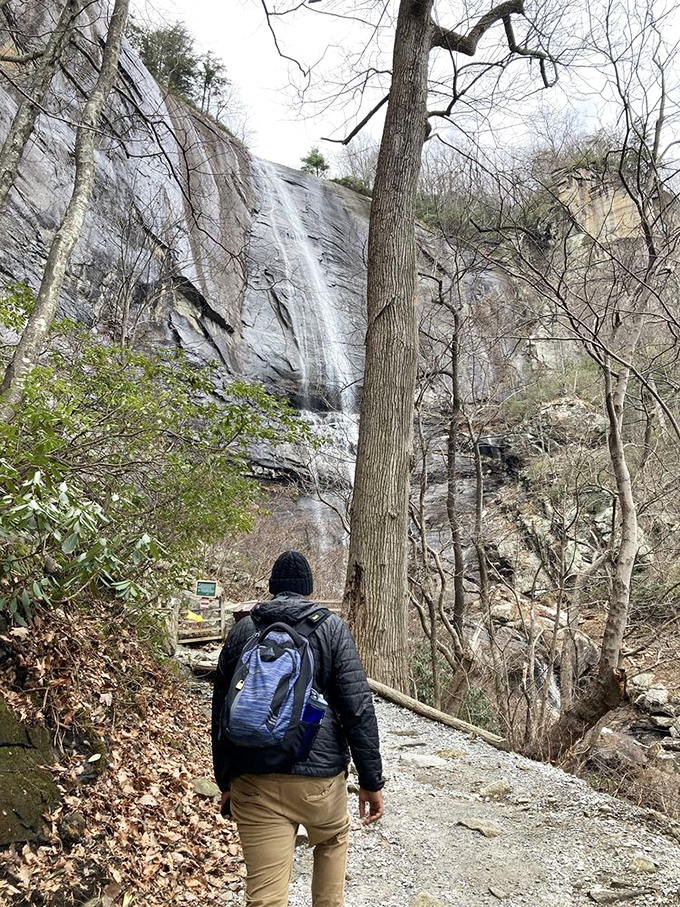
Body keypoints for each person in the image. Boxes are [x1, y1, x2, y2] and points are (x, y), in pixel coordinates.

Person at [212, 550, 384, 907]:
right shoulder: (332, 628)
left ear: (272, 588)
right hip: (318, 781)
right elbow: (357, 708)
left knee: (265, 896)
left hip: (253, 778)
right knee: (332, 838)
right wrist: (371, 781)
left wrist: (225, 782)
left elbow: (220, 715)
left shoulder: (244, 629)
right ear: (308, 590)